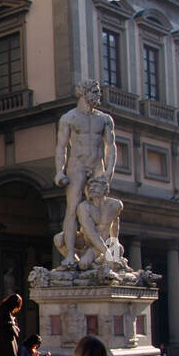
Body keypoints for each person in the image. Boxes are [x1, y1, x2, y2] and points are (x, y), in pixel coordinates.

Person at [53, 80, 116, 267]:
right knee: (72, 209)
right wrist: (59, 171)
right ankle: (71, 255)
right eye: (94, 91)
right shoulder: (69, 118)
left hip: (97, 165)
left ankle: (105, 252)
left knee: (102, 209)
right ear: (83, 93)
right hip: (77, 165)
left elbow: (110, 147)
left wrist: (108, 173)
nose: (98, 95)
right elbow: (61, 147)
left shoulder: (104, 119)